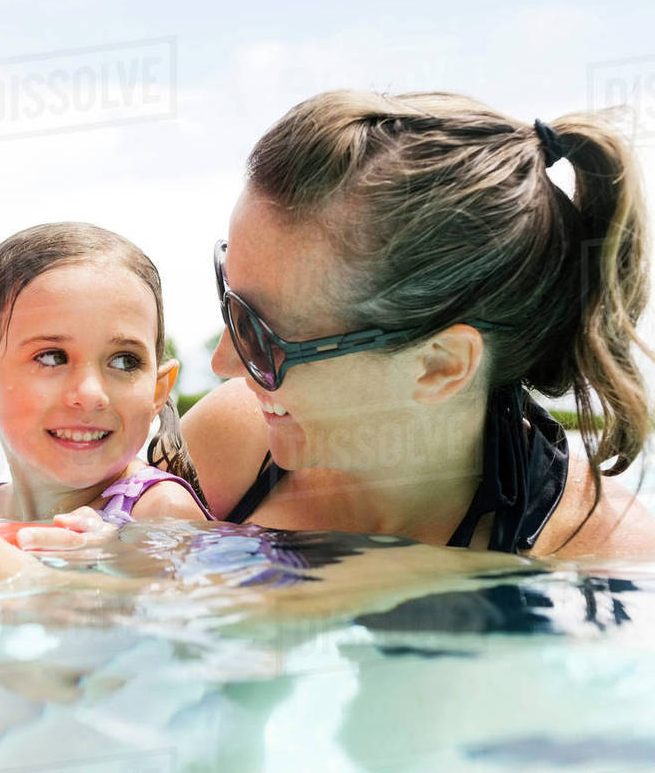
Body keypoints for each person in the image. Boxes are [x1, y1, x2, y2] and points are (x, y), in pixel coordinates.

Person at [185, 90, 655, 557]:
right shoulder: (232, 441)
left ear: (440, 367)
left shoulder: (600, 557)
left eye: (261, 337)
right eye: (231, 302)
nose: (224, 363)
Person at [0, 222, 213, 524]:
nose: (90, 394)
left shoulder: (161, 513)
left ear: (157, 391)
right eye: (51, 357)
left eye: (124, 361)